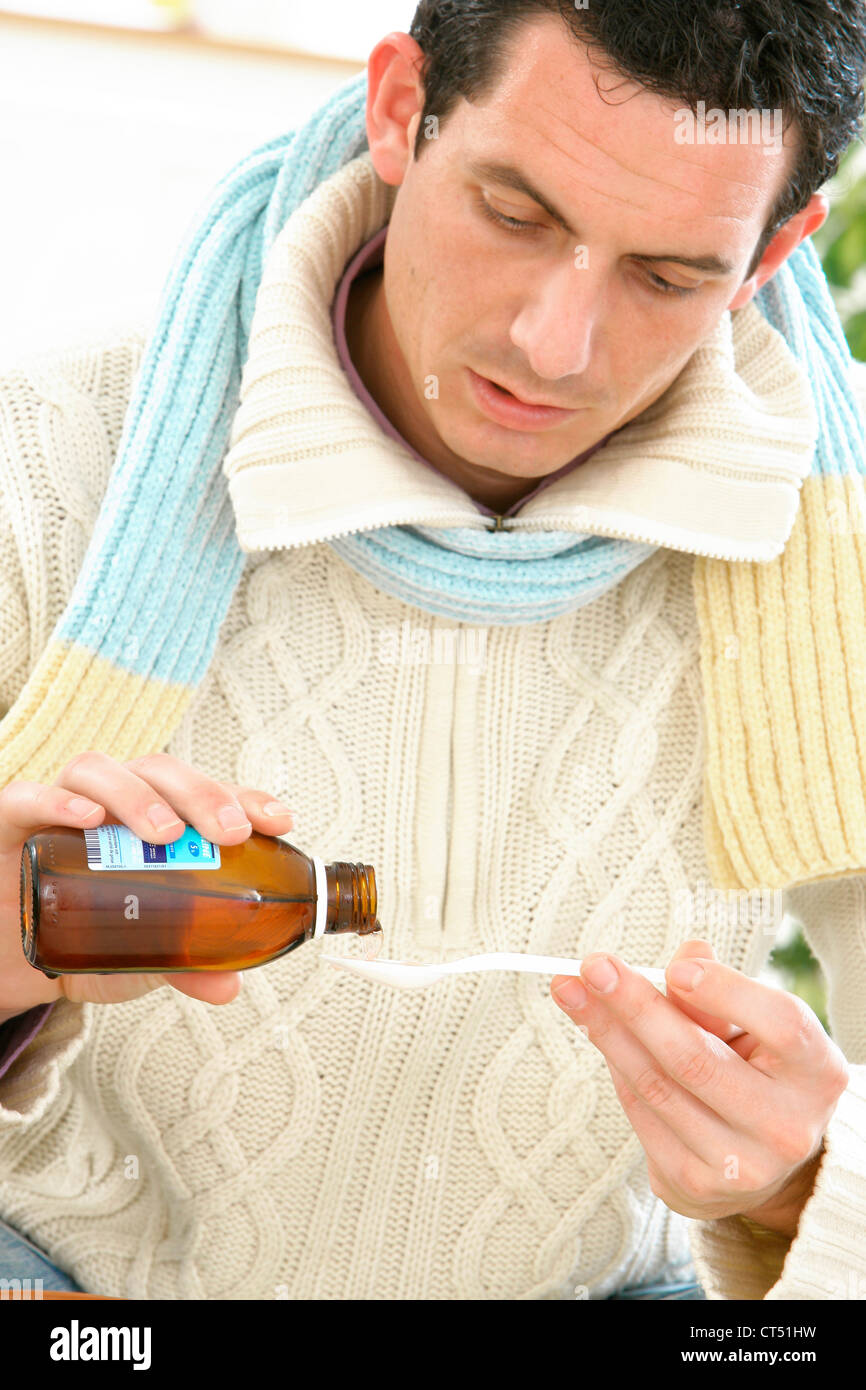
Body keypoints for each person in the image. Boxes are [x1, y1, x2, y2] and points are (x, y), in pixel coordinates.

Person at [0, 0, 865, 1301]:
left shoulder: (832, 567)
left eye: (666, 274)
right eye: (514, 216)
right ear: (399, 107)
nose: (551, 346)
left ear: (772, 250)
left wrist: (799, 1185)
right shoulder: (42, 458)